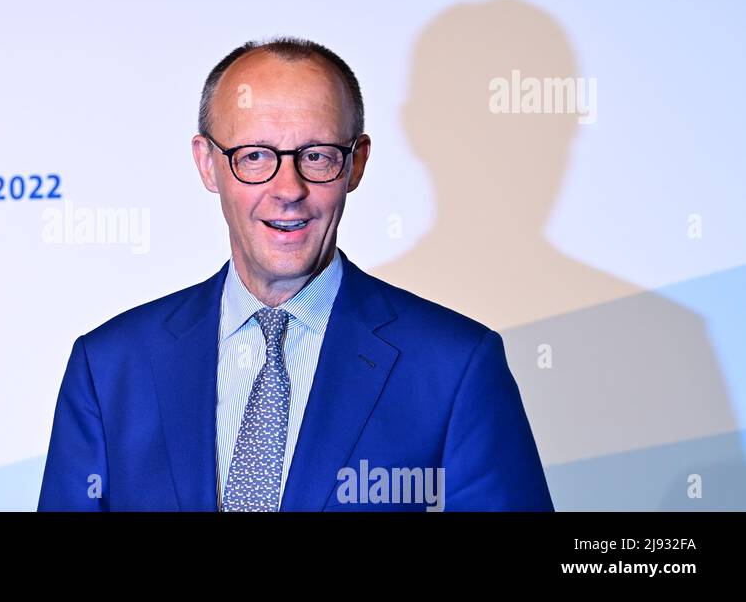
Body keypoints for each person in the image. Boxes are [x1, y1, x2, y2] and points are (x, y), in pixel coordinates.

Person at [38, 37, 553, 511]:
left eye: (317, 156)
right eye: (255, 156)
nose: (288, 188)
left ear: (356, 164)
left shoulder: (455, 366)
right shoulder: (109, 367)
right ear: (207, 164)